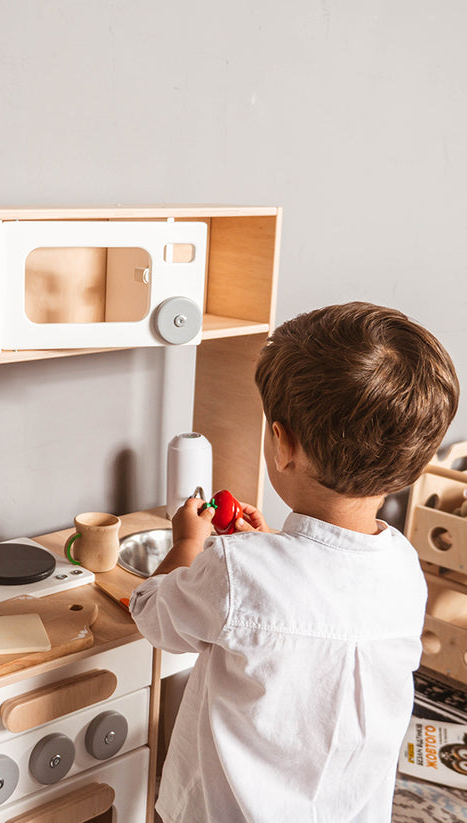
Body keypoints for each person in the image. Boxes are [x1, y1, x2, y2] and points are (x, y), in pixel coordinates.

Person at [130, 302, 460, 823]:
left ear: (282, 445)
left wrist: (188, 544)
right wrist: (270, 546)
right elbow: (323, 599)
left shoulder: (235, 572)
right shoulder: (403, 566)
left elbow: (153, 615)